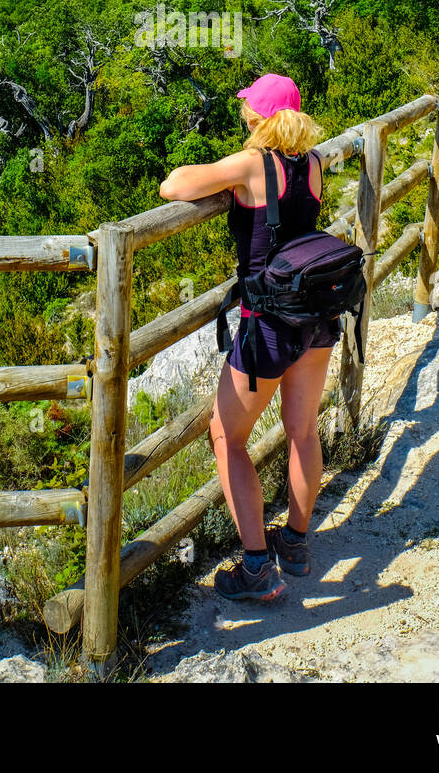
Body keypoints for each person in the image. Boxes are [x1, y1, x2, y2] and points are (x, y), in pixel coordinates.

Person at [158, 73, 338, 601]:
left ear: (257, 118)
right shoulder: (314, 164)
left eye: (246, 111)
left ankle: (257, 568)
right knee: (302, 431)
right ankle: (296, 545)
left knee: (226, 436)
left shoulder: (250, 165)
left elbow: (175, 186)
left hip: (270, 325)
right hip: (315, 316)